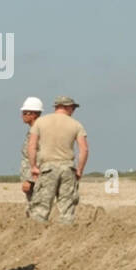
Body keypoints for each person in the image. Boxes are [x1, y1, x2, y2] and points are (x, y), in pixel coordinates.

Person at [27, 96, 88, 224]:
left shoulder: (40, 122)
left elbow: (32, 146)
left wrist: (33, 167)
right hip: (68, 169)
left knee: (40, 209)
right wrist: (79, 170)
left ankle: (36, 239)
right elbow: (84, 150)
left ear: (56, 107)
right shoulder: (76, 125)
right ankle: (66, 237)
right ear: (68, 107)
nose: (73, 111)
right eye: (72, 108)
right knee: (67, 210)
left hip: (47, 168)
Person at [17, 97, 43, 216]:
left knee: (35, 208)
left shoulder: (38, 132)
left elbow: (36, 156)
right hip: (33, 177)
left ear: (33, 114)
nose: (22, 115)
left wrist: (29, 180)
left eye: (25, 113)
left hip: (34, 179)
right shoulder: (34, 131)